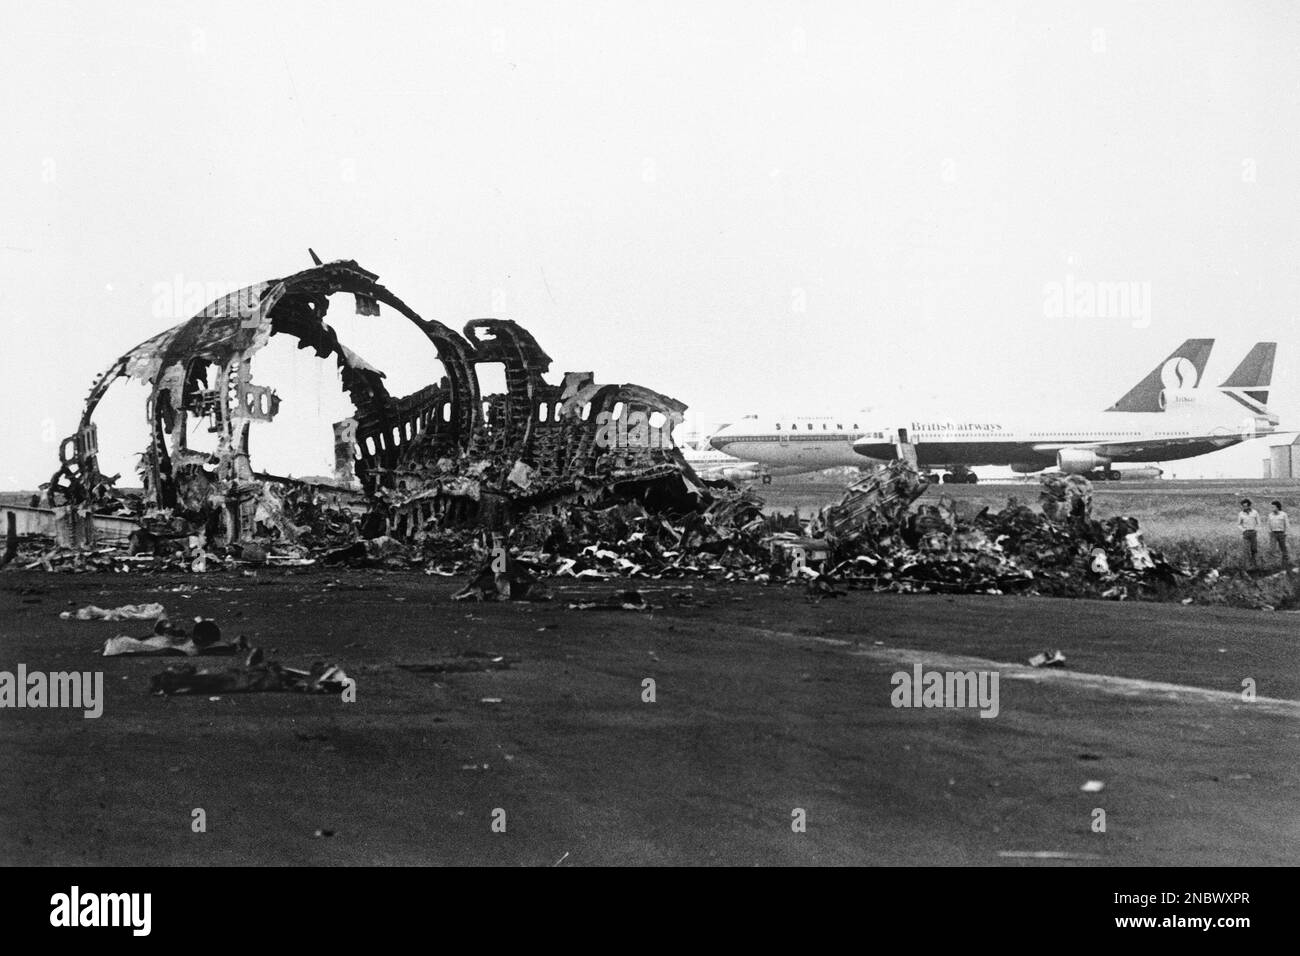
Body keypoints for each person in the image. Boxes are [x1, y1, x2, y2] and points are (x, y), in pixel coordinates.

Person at [1238, 498, 1260, 570]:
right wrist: (1243, 530)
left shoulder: (1255, 512)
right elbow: (1239, 524)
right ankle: (1247, 565)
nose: (1245, 508)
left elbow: (1258, 522)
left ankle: (1254, 564)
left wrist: (1256, 530)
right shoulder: (1241, 514)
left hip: (1253, 532)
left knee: (1254, 549)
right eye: (1243, 506)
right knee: (1246, 549)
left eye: (1246, 506)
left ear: (1249, 506)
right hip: (1246, 533)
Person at [1268, 500, 1290, 568]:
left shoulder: (1283, 514)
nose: (1272, 508)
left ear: (1277, 507)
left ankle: (1285, 564)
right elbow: (1268, 524)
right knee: (1272, 550)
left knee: (1284, 549)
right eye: (1271, 507)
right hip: (1273, 534)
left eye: (1273, 507)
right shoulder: (1270, 515)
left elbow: (1287, 524)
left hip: (1281, 533)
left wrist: (1286, 533)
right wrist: (1270, 532)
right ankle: (1276, 563)